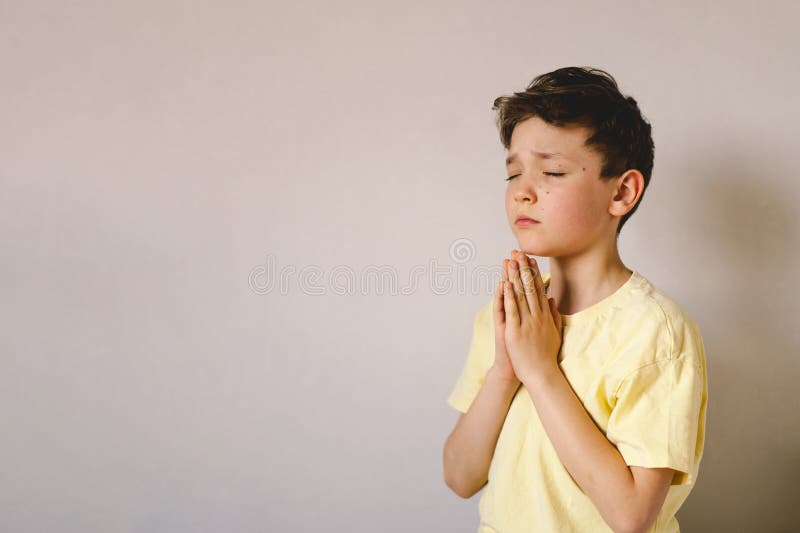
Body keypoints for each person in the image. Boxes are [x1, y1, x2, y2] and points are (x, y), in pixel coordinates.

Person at [442, 66, 708, 533]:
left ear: (622, 192)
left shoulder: (654, 330)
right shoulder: (507, 317)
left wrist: (541, 371)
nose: (522, 192)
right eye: (513, 174)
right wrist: (506, 368)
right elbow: (460, 477)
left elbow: (631, 517)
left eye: (552, 172)